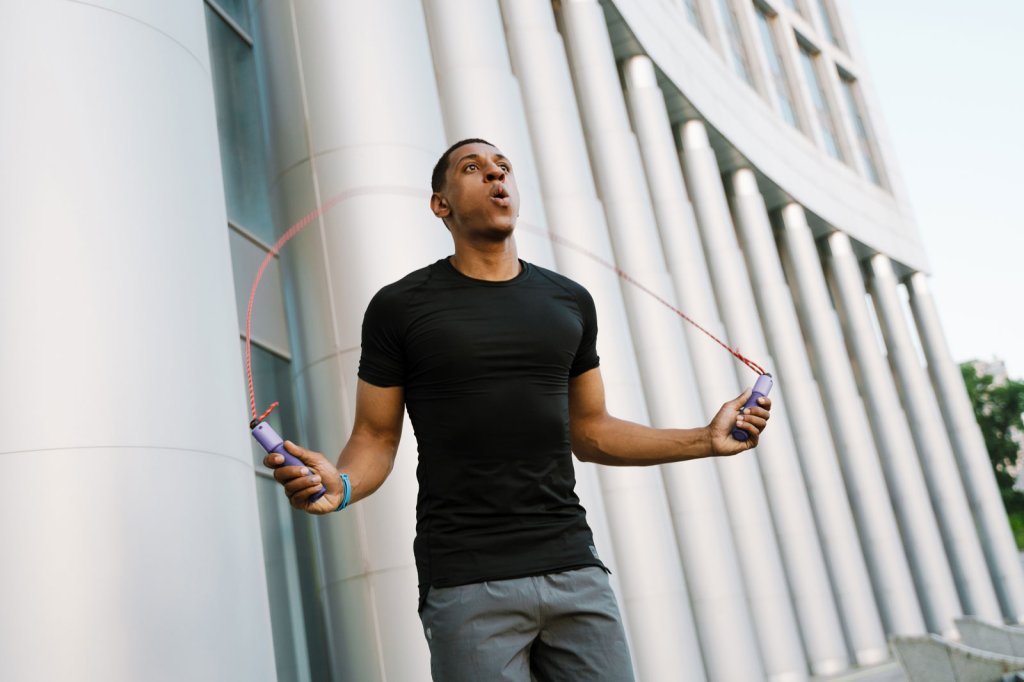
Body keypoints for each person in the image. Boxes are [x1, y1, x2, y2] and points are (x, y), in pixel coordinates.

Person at [264, 138, 772, 681]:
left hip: (575, 567)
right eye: (473, 168)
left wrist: (703, 439)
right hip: (466, 580)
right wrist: (340, 486)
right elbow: (375, 437)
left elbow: (591, 431)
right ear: (441, 204)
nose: (494, 174)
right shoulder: (398, 307)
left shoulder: (570, 301)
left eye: (502, 167)